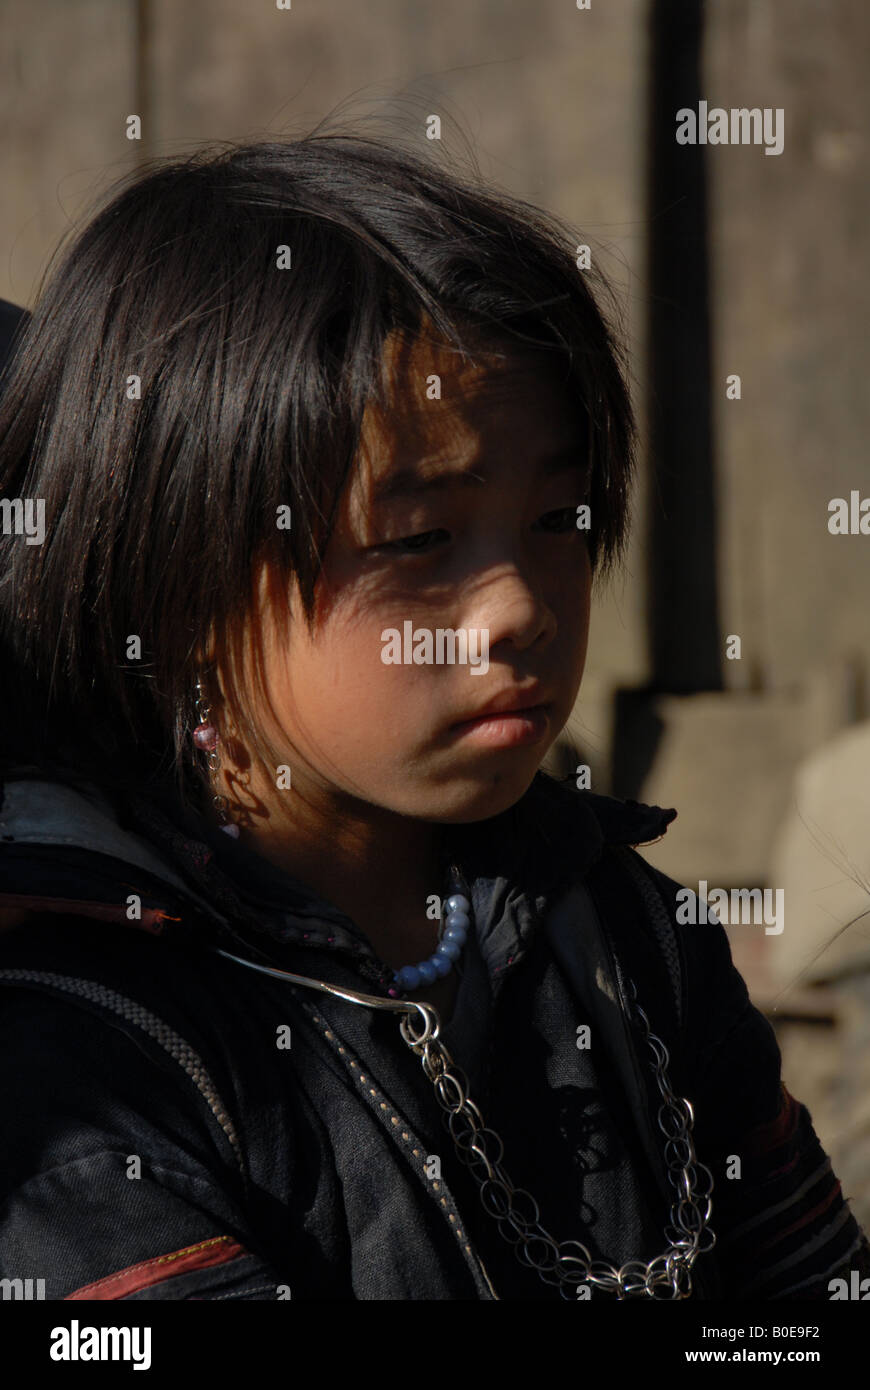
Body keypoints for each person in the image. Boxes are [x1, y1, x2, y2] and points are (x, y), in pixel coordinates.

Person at [0, 135, 866, 1302]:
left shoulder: (628, 931)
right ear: (178, 586)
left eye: (560, 518)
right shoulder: (86, 1041)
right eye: (418, 540)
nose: (519, 607)